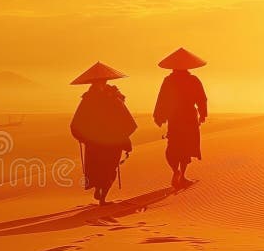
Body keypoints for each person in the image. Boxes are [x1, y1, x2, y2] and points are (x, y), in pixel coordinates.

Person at [70, 62, 137, 205]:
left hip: (98, 141)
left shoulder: (92, 99)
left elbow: (77, 122)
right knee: (108, 168)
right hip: (109, 141)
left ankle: (101, 193)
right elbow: (125, 119)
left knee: (102, 167)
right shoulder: (113, 97)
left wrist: (83, 136)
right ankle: (102, 195)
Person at [153, 47, 208, 188]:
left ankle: (175, 171)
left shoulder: (168, 81)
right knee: (186, 147)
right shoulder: (193, 80)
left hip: (175, 117)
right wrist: (202, 114)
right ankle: (182, 175)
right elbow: (202, 99)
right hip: (189, 116)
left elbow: (162, 100)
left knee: (173, 146)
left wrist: (159, 116)